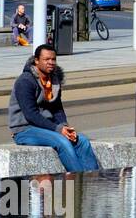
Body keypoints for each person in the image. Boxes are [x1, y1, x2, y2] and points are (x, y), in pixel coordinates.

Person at [7, 43, 100, 173]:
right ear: (36, 61)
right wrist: (58, 129)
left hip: (47, 127)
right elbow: (31, 115)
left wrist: (64, 126)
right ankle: (80, 180)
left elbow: (57, 109)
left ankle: (94, 180)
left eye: (53, 59)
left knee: (82, 141)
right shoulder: (25, 81)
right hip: (24, 129)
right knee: (62, 142)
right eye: (46, 59)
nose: (51, 62)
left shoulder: (54, 80)